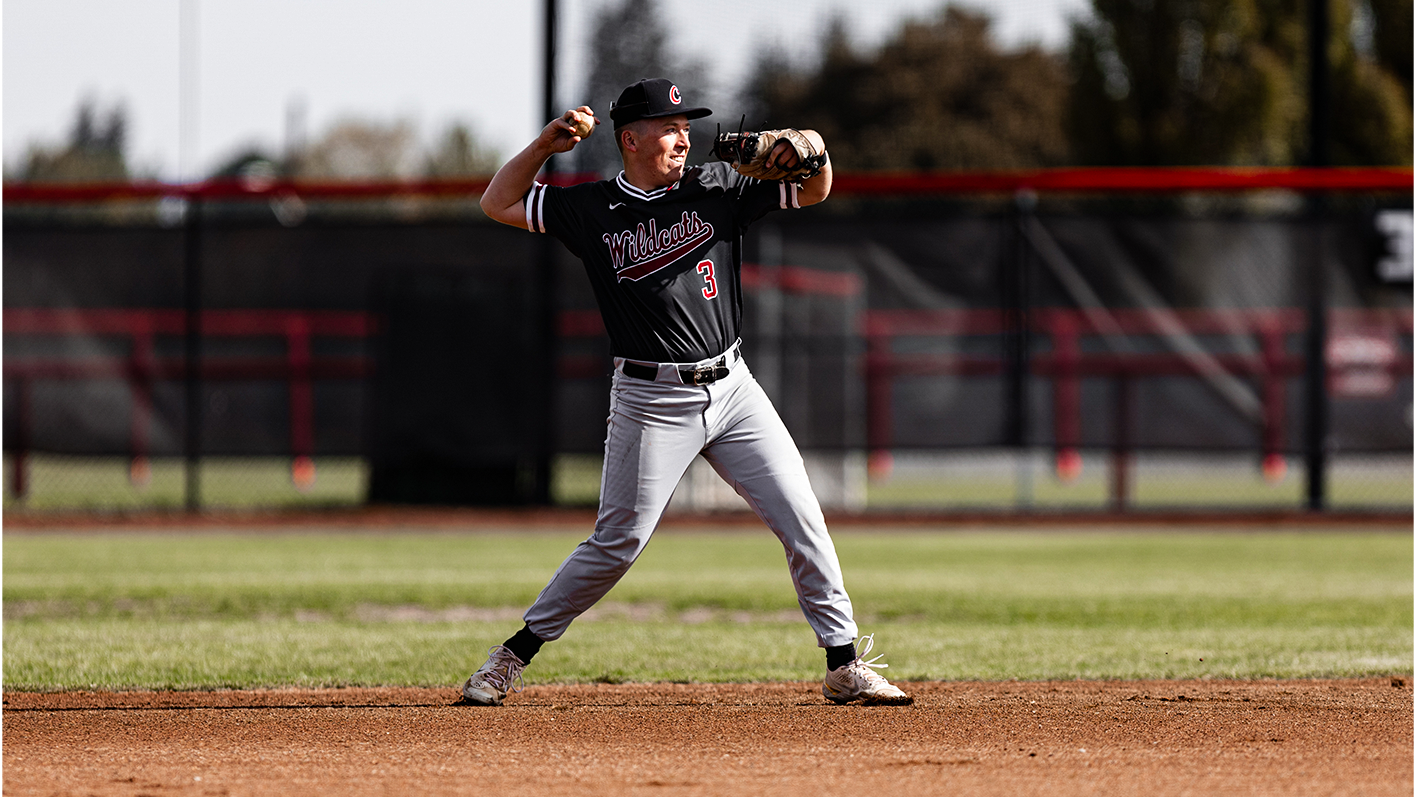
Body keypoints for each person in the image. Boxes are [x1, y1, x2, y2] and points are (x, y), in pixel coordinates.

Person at [463, 78, 910, 707]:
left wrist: (816, 150)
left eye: (687, 125)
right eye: (670, 127)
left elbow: (815, 186)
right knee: (617, 543)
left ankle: (843, 662)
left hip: (734, 389)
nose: (684, 136)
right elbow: (497, 202)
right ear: (631, 139)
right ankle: (512, 656)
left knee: (802, 515)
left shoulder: (717, 188)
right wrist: (546, 144)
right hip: (650, 402)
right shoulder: (590, 209)